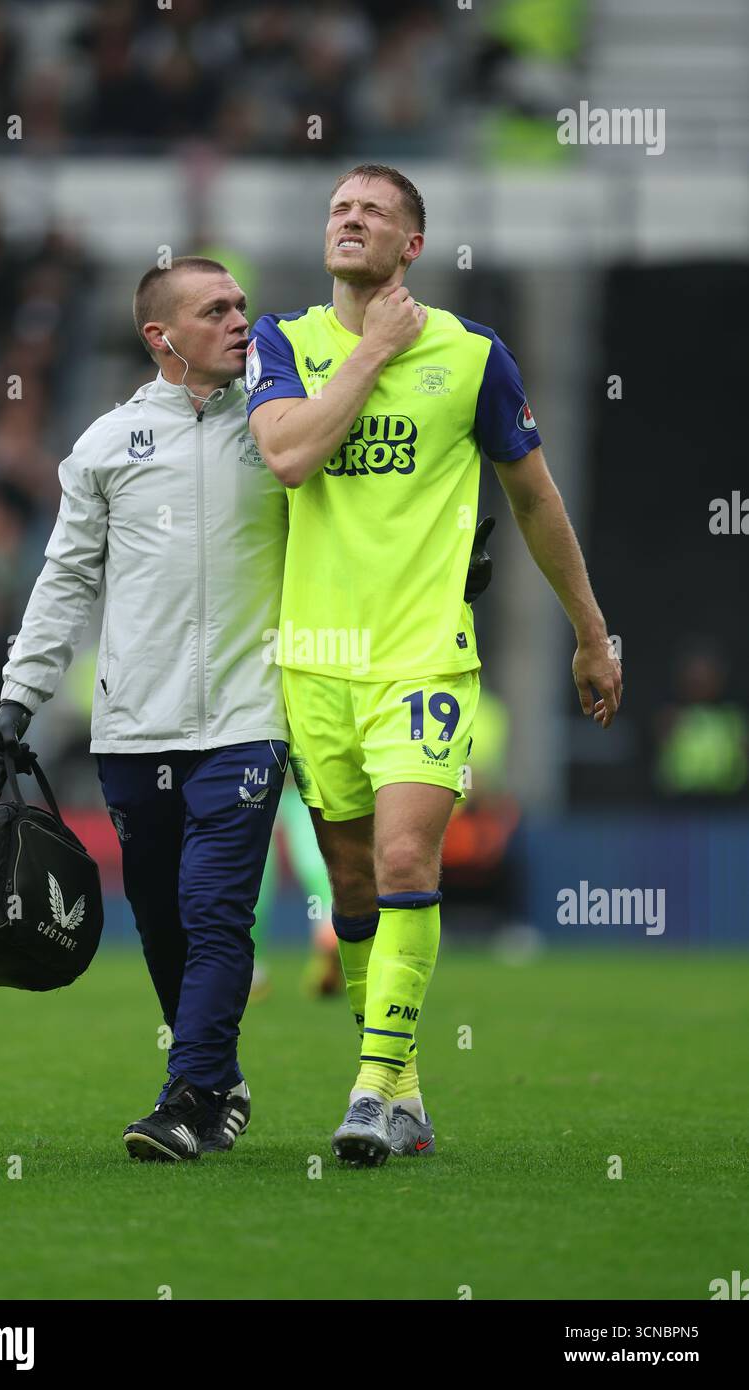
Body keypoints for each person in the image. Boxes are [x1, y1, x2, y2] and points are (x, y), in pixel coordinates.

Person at [247, 163, 622, 1167]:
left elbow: (535, 500)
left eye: (373, 210)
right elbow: (287, 456)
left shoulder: (471, 356)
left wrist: (590, 632)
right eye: (337, 206)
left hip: (422, 657)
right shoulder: (281, 342)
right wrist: (371, 354)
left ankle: (369, 1089)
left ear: (412, 244)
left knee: (408, 858)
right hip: (314, 661)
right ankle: (405, 1086)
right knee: (354, 878)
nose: (350, 218)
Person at [0, 257, 290, 1162]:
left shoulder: (278, 430)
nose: (242, 320)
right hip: (135, 727)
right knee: (160, 917)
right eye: (216, 310)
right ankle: (218, 1082)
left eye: (242, 304)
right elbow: (66, 577)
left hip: (247, 717)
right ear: (162, 338)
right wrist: (20, 695)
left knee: (216, 908)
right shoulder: (107, 445)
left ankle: (185, 1096)